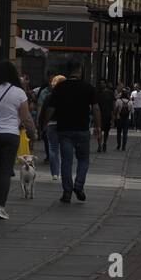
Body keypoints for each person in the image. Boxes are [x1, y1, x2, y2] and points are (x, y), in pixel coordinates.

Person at [0, 61, 35, 219]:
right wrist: (32, 133)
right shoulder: (19, 93)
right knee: (5, 171)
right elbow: (26, 118)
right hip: (11, 136)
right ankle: (1, 207)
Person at [50, 60, 95, 203]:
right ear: (80, 71)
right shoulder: (87, 87)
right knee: (84, 159)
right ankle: (79, 185)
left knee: (66, 161)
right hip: (82, 129)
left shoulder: (60, 87)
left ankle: (67, 192)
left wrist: (43, 123)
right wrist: (99, 127)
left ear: (68, 71)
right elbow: (96, 108)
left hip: (64, 130)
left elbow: (51, 108)